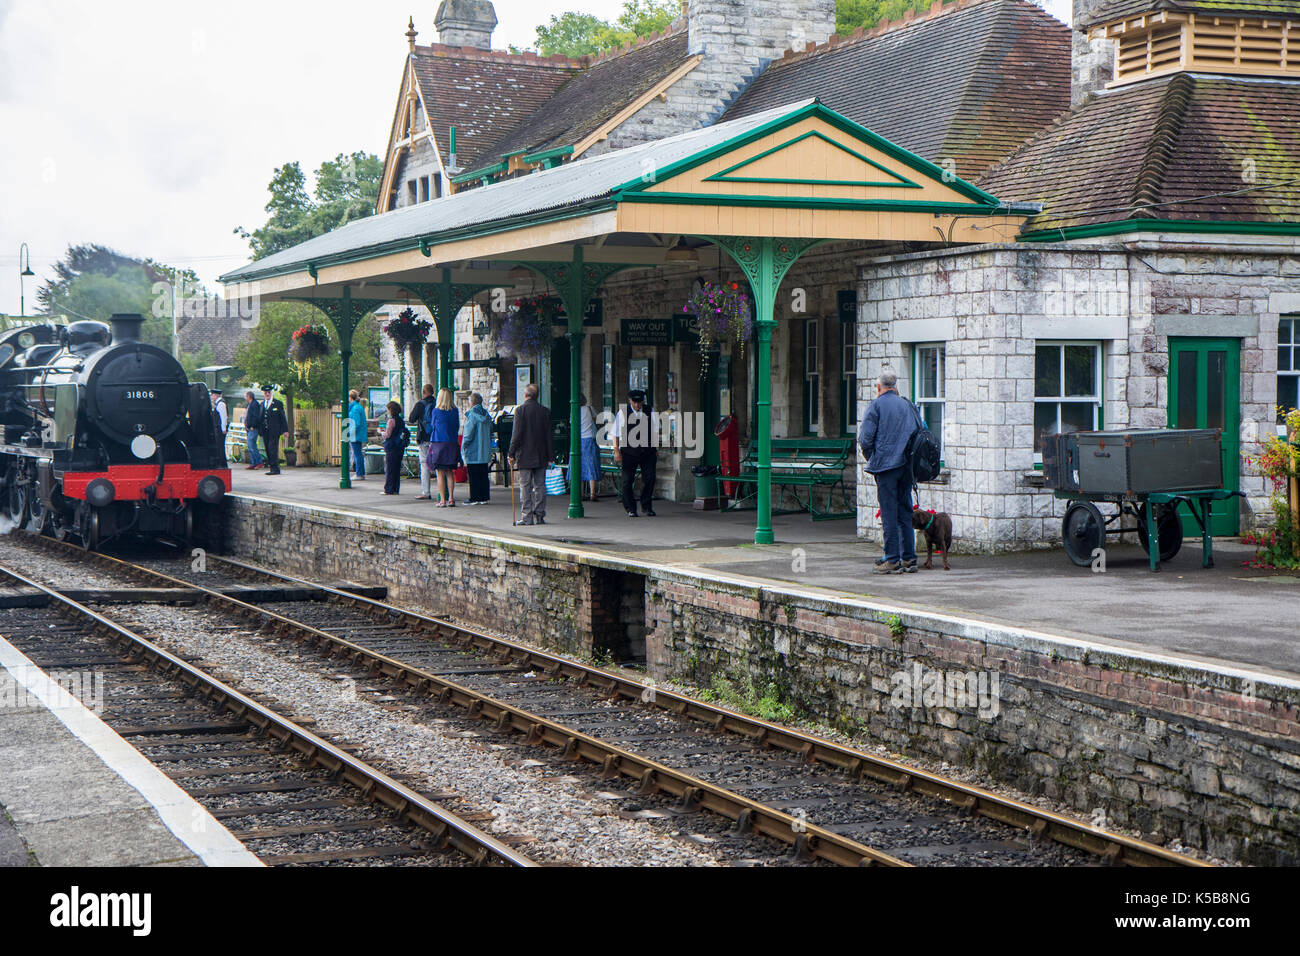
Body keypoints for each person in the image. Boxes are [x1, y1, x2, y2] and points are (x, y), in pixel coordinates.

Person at [858, 370, 919, 574]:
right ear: (895, 386)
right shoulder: (908, 404)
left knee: (889, 512)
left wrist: (873, 458)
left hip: (886, 467)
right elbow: (921, 431)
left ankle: (892, 559)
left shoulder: (875, 406)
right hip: (907, 466)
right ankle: (909, 558)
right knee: (905, 510)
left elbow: (865, 439)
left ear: (878, 388)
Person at [507, 383, 552, 526]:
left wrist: (511, 452)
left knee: (525, 486)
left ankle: (527, 517)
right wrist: (551, 457)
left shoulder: (520, 411)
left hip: (525, 455)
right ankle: (539, 515)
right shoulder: (545, 411)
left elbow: (517, 434)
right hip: (541, 455)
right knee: (540, 486)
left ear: (525, 395)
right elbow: (549, 436)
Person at [613, 389, 657, 517]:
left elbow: (655, 430)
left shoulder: (650, 410)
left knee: (650, 478)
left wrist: (655, 448)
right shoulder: (622, 412)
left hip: (647, 451)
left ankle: (646, 505)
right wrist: (616, 451)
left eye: (639, 402)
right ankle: (630, 508)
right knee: (626, 482)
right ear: (630, 400)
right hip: (628, 451)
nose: (637, 405)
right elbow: (615, 433)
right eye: (634, 402)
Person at [424, 387, 461, 508]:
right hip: (451, 442)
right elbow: (457, 426)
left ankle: (442, 500)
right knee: (450, 472)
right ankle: (451, 498)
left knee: (440, 472)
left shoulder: (436, 411)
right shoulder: (455, 411)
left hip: (439, 442)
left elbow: (433, 426)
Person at [461, 392, 493, 505]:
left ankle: (474, 497)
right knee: (483, 474)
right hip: (484, 450)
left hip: (473, 450)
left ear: (472, 402)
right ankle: (484, 497)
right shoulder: (486, 415)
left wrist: (464, 446)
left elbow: (468, 434)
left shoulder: (472, 415)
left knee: (474, 475)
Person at [409, 384, 436, 500]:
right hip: (436, 438)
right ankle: (443, 491)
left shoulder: (420, 404)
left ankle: (426, 492)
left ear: (424, 391)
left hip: (424, 437)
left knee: (424, 464)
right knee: (439, 465)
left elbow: (411, 419)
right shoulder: (437, 403)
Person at [259, 386, 288, 476]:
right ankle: (271, 467)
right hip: (265, 431)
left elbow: (282, 417)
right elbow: (260, 418)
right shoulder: (262, 404)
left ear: (271, 393)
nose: (267, 394)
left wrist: (285, 430)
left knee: (272, 449)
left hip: (274, 430)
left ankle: (275, 468)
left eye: (269, 392)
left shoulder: (277, 403)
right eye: (265, 393)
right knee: (268, 449)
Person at [381, 401, 409, 495]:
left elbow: (388, 435)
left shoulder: (391, 420)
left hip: (391, 446)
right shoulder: (401, 420)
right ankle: (396, 488)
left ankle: (388, 489)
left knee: (390, 469)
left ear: (390, 410)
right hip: (399, 446)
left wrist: (381, 432)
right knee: (396, 469)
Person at [579, 393, 600, 502]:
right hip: (591, 439)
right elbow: (597, 420)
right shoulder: (590, 409)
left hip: (579, 441)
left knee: (579, 467)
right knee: (592, 465)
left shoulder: (574, 411)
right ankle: (592, 493)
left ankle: (580, 493)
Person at [347, 390, 368, 481]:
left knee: (357, 454)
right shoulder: (358, 407)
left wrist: (349, 433)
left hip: (355, 435)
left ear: (350, 398)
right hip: (359, 434)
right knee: (358, 454)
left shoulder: (355, 408)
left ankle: (359, 474)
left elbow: (356, 423)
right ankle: (361, 473)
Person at [242, 389, 264, 470]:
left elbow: (256, 416)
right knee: (250, 446)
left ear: (249, 396)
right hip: (249, 428)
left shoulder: (254, 404)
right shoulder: (250, 404)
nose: (245, 398)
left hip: (253, 428)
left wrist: (253, 426)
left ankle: (258, 462)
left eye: (245, 396)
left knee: (252, 446)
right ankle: (253, 463)